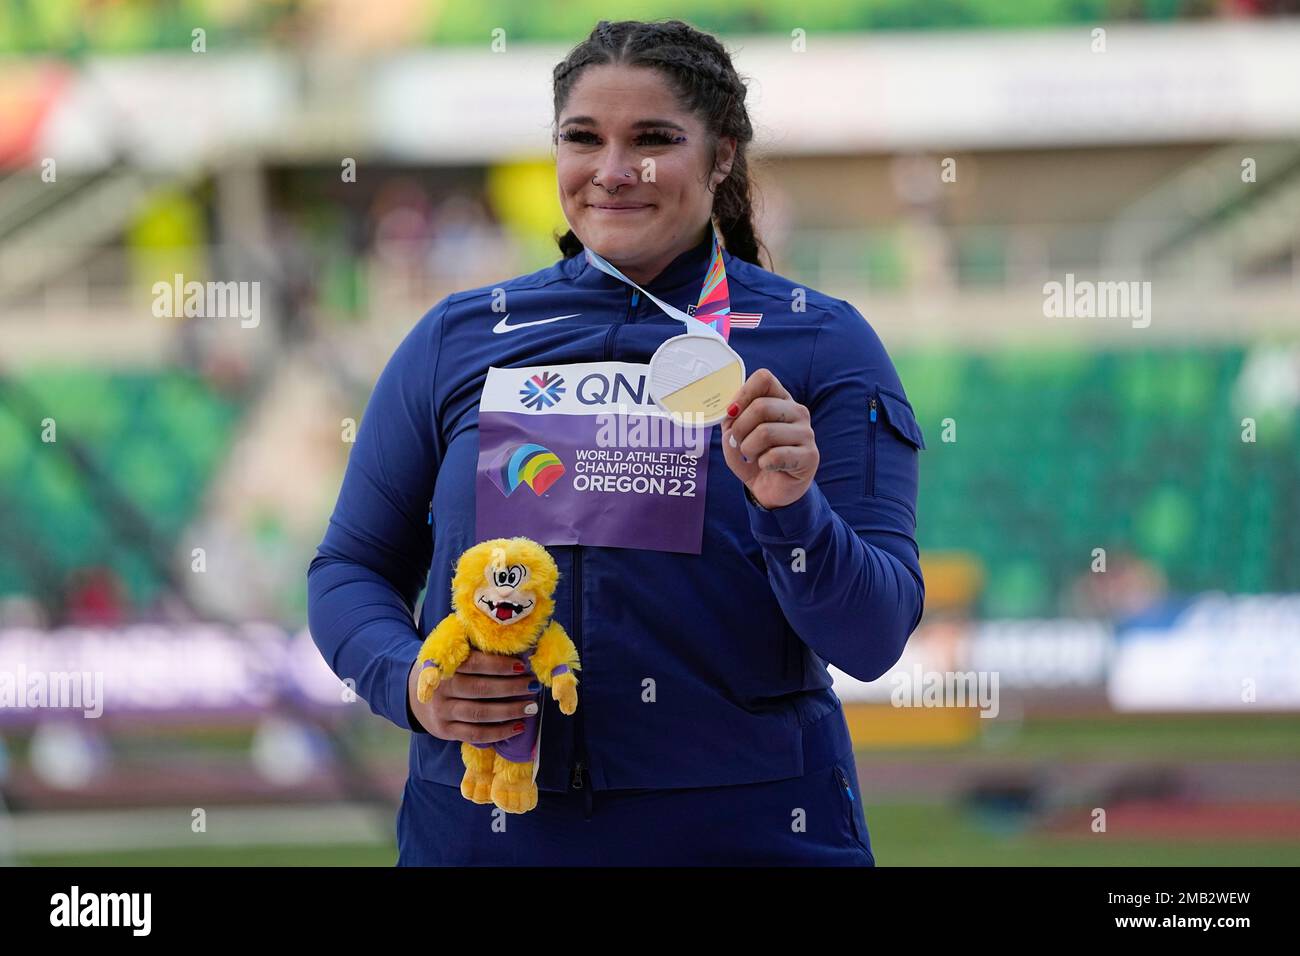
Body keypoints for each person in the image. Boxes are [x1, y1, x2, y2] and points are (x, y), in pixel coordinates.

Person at [307, 18, 927, 866]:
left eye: (654, 140)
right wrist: (410, 679)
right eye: (582, 139)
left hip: (747, 832)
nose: (612, 170)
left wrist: (795, 512)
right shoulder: (458, 337)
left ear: (722, 157)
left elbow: (873, 637)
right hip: (487, 830)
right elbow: (349, 568)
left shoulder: (820, 343)